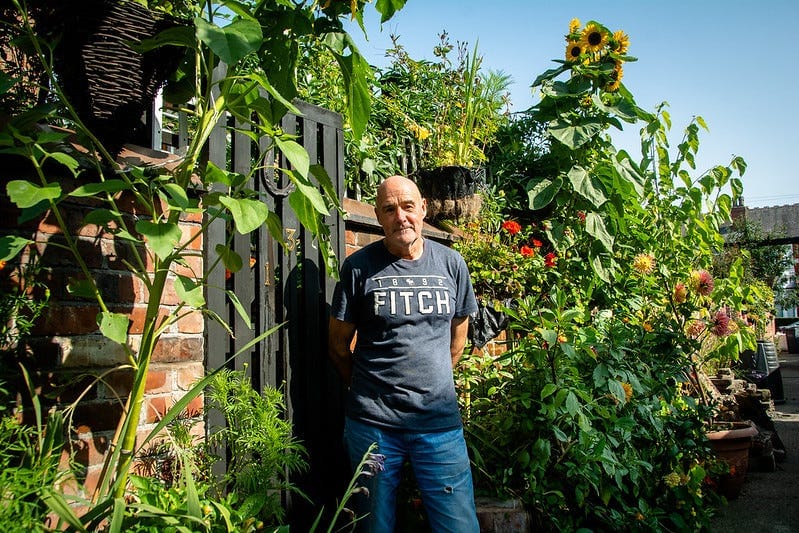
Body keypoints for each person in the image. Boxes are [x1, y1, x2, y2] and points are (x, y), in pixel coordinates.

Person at [328, 175, 480, 532]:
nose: (401, 217)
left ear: (423, 209)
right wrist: (371, 392)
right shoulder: (359, 268)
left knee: (458, 525)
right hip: (374, 427)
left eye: (408, 207)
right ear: (379, 217)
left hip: (439, 425)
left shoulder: (452, 264)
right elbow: (337, 346)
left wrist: (432, 381)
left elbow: (457, 341)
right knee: (373, 526)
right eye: (389, 209)